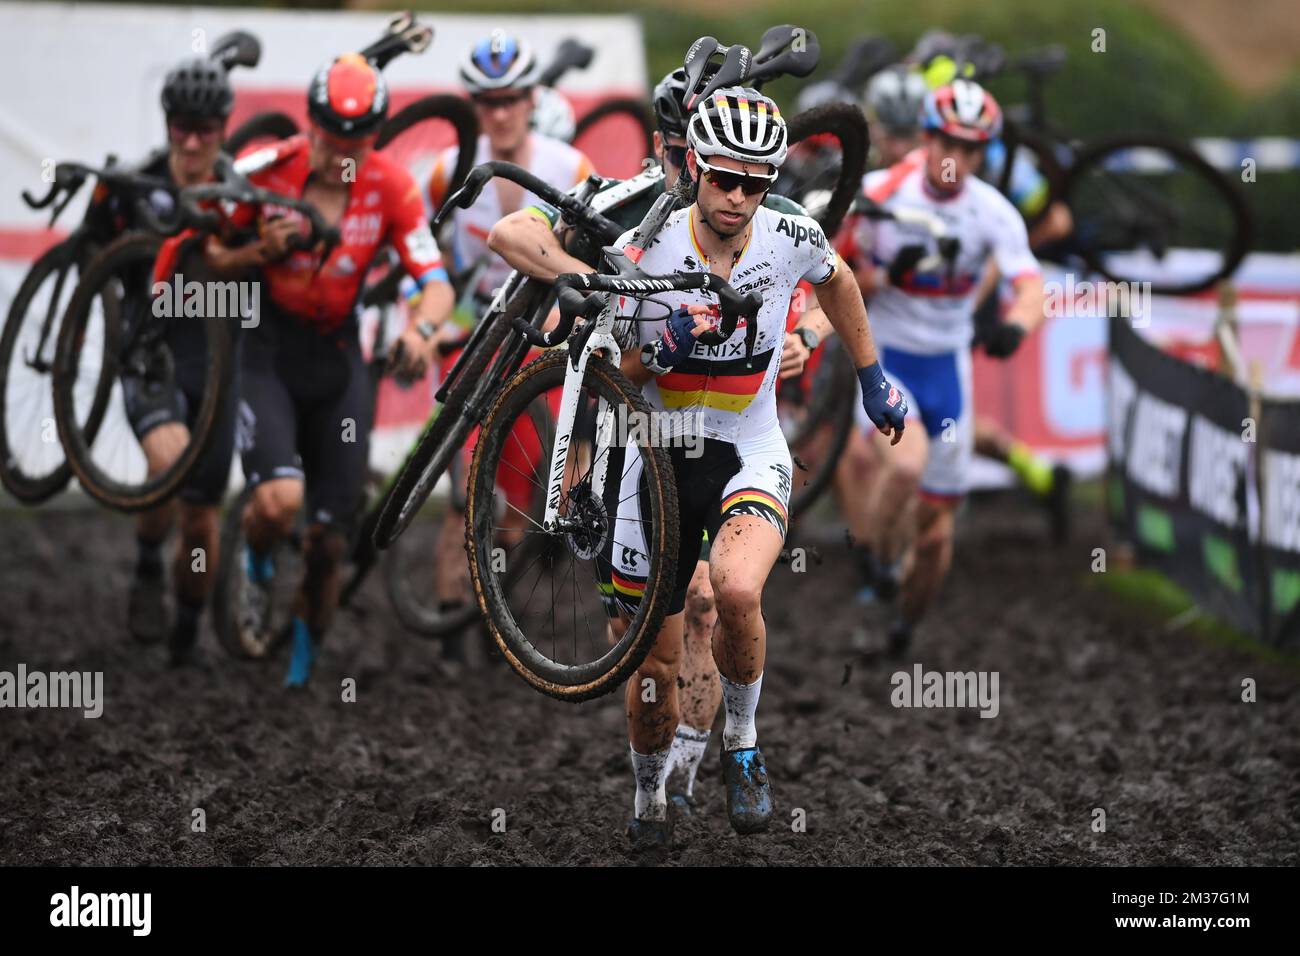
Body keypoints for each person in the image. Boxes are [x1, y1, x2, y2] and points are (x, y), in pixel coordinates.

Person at [487, 66, 835, 812]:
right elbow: (513, 231)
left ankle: (694, 764)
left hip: (739, 431)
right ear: (664, 148)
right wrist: (591, 281)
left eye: (718, 166)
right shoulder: (633, 201)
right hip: (636, 433)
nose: (707, 182)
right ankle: (653, 774)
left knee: (716, 598)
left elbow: (828, 283)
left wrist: (806, 331)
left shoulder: (761, 204)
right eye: (682, 155)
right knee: (645, 638)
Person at [594, 86, 904, 848]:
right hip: (656, 458)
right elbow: (609, 371)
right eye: (724, 179)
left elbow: (840, 283)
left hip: (749, 444)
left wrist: (872, 378)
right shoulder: (646, 245)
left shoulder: (791, 231)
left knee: (734, 587)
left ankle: (742, 743)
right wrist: (655, 354)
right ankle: (649, 802)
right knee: (653, 671)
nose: (737, 198)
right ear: (694, 166)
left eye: (756, 182)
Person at [202, 52, 455, 687]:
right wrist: (263, 248)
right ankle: (256, 567)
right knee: (279, 500)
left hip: (339, 356)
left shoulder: (390, 186)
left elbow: (436, 283)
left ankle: (301, 666)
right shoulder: (267, 170)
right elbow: (209, 256)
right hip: (266, 347)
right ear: (308, 124)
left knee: (328, 541)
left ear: (370, 139)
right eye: (327, 138)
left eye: (353, 142)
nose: (336, 153)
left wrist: (422, 331)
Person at [840, 80, 1046, 655]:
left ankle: (903, 625)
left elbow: (1031, 288)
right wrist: (878, 278)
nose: (957, 158)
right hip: (888, 361)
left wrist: (1016, 326)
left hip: (949, 374)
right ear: (928, 138)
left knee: (935, 538)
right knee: (905, 467)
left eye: (972, 148)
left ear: (983, 154)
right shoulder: (881, 191)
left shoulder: (993, 213)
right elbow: (832, 267)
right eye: (948, 141)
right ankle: (874, 565)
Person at [421, 32, 597, 635]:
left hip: (534, 338)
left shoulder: (569, 168)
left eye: (511, 99)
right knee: (467, 491)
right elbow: (420, 259)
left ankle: (491, 615)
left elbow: (590, 260)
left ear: (530, 99)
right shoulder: (447, 171)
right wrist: (424, 322)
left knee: (516, 498)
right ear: (473, 105)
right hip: (470, 344)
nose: (498, 113)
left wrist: (562, 314)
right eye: (486, 101)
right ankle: (450, 621)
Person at [125, 55, 243, 665]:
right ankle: (147, 564)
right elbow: (88, 267)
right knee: (165, 464)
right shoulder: (137, 186)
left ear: (223, 128)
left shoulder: (243, 197)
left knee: (201, 521)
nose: (192, 141)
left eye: (205, 129)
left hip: (219, 365)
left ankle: (186, 631)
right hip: (153, 356)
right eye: (181, 127)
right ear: (167, 124)